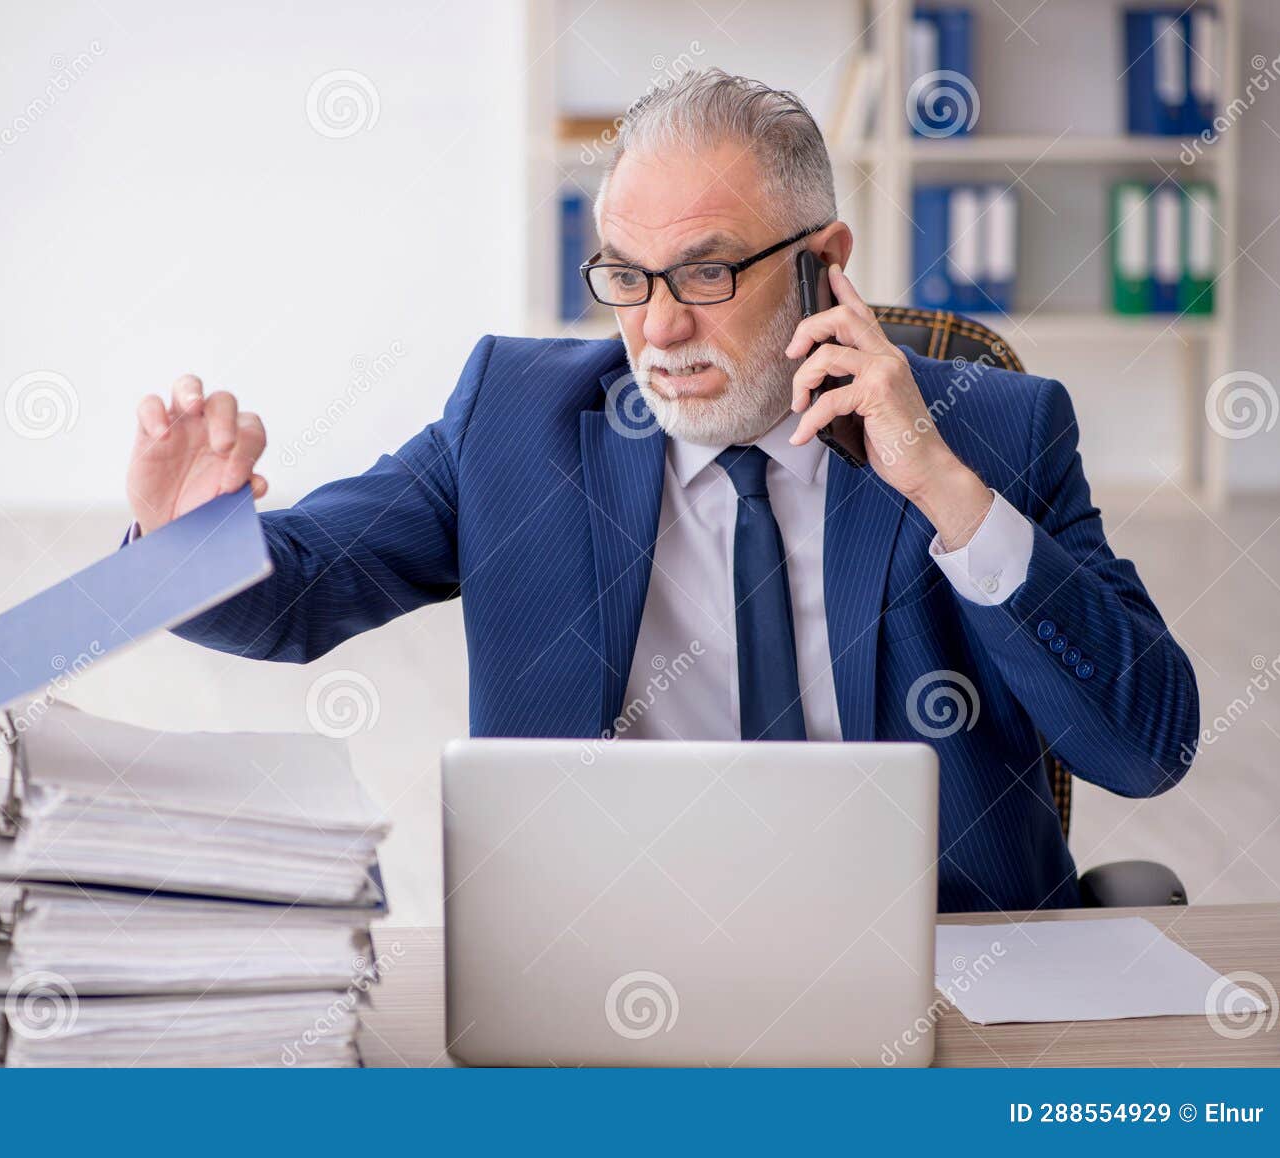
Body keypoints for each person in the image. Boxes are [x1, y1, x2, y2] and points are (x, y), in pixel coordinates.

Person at [123, 69, 1198, 912]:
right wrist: (183, 542)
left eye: (704, 273)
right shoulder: (515, 421)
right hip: (606, 965)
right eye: (625, 278)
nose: (658, 327)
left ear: (826, 261)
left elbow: (1147, 747)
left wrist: (947, 494)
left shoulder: (993, 432)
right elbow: (300, 592)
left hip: (941, 964)